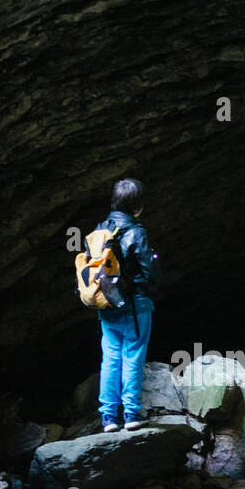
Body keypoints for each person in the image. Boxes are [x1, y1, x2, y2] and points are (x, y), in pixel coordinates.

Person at [95, 178, 161, 432]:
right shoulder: (136, 232)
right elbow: (149, 269)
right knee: (132, 355)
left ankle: (109, 417)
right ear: (138, 205)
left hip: (107, 302)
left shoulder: (100, 229)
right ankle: (132, 413)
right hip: (134, 305)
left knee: (110, 356)